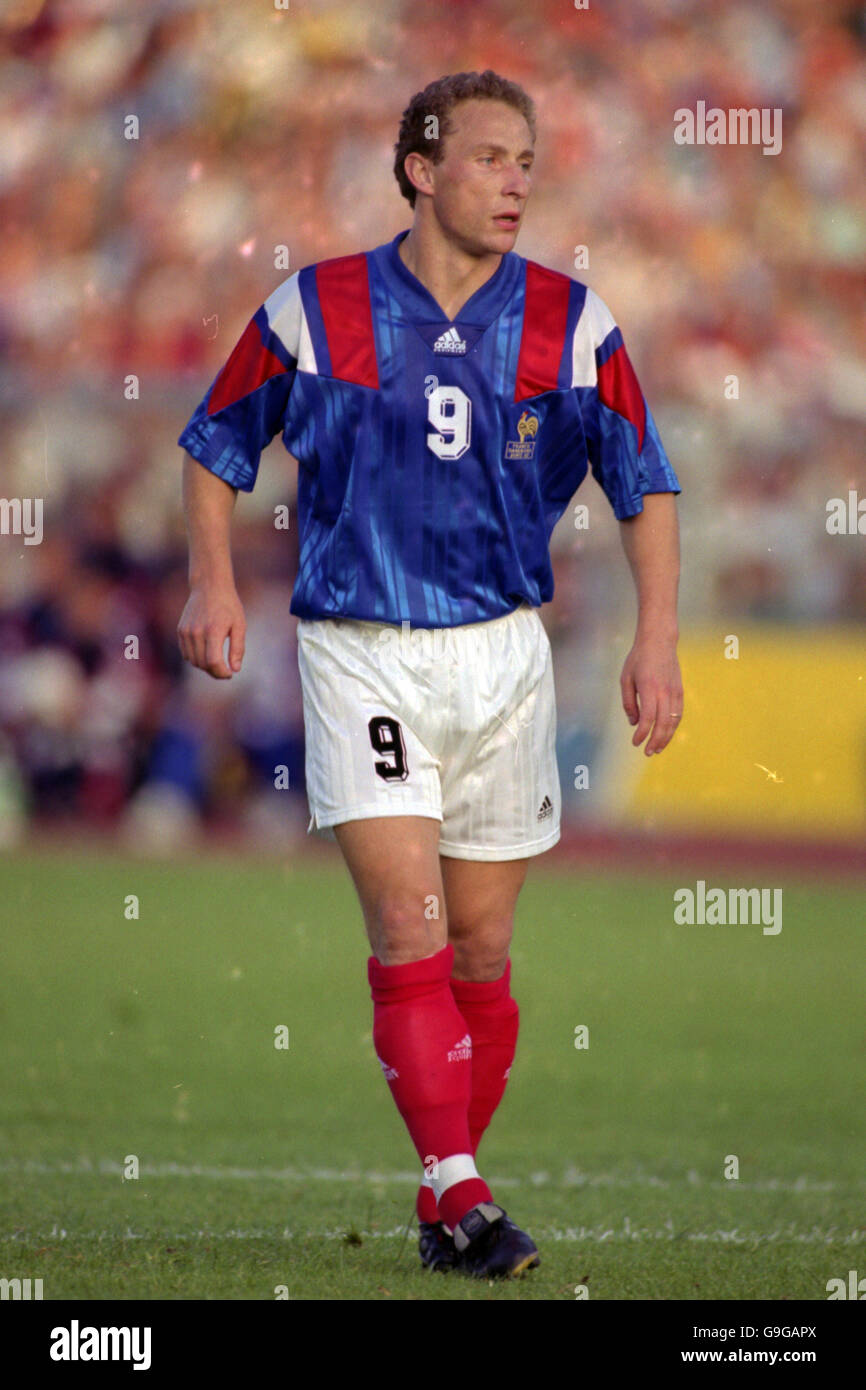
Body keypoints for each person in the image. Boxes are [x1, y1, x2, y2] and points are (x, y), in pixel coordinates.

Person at [177, 69, 683, 1278]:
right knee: (406, 920)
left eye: (527, 163)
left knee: (480, 949)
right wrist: (207, 579)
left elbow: (643, 483)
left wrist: (655, 635)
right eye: (493, 158)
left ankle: (440, 1190)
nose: (517, 182)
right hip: (361, 643)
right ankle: (464, 1195)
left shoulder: (574, 323)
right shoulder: (313, 310)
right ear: (420, 169)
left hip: (503, 655)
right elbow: (213, 446)